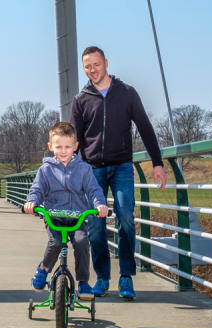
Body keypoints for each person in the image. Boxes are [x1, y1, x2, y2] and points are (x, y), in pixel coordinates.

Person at [70, 46, 167, 301]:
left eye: (96, 64)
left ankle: (126, 276)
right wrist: (71, 170)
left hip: (122, 166)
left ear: (106, 63)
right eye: (87, 67)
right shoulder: (81, 100)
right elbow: (74, 140)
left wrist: (157, 163)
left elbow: (145, 127)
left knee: (125, 216)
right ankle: (102, 277)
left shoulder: (127, 93)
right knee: (96, 225)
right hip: (92, 170)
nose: (92, 70)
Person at [22, 121, 109, 300]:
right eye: (58, 146)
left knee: (82, 242)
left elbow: (93, 189)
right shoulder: (46, 169)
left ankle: (83, 282)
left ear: (75, 146)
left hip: (77, 217)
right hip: (54, 216)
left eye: (68, 147)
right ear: (50, 146)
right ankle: (43, 269)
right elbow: (37, 189)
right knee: (54, 242)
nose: (63, 151)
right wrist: (32, 202)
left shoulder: (84, 169)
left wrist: (99, 204)